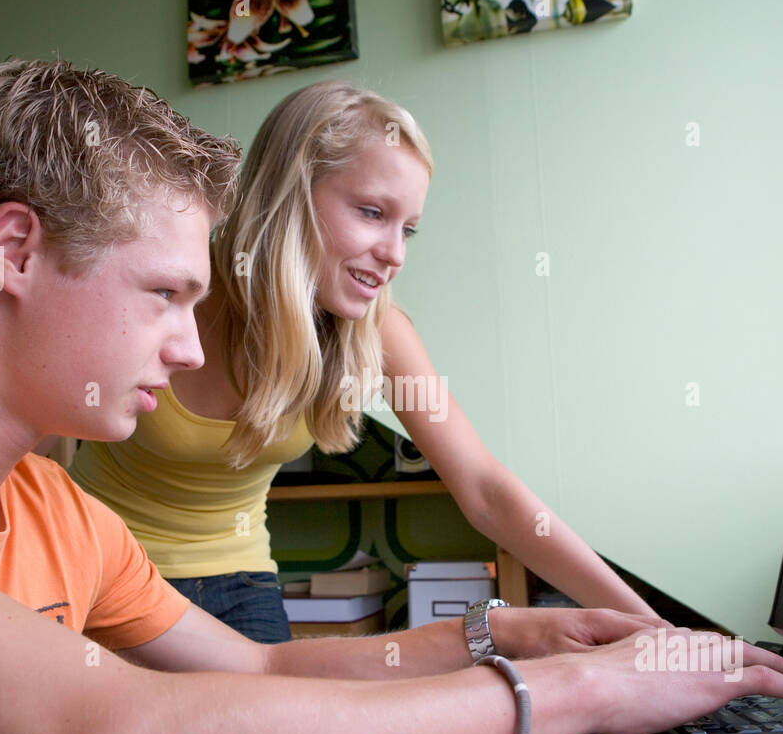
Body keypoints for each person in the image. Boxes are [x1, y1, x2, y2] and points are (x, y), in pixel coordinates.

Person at [0, 57, 783, 734]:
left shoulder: (61, 519)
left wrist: (506, 634)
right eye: (164, 294)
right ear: (15, 250)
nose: (184, 347)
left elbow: (263, 665)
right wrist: (579, 695)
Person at [69, 80, 657, 644]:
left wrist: (653, 629)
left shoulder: (378, 330)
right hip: (103, 569)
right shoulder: (178, 290)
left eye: (409, 230)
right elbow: (43, 436)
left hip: (240, 582)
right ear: (292, 193)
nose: (394, 253)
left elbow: (484, 490)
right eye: (373, 213)